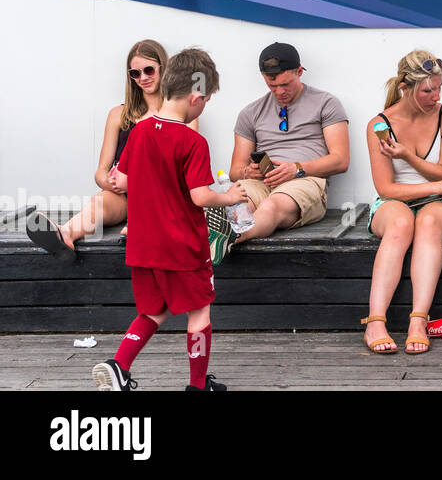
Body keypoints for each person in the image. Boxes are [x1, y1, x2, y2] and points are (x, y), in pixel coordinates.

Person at [90, 47, 245, 391]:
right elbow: (200, 196)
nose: (204, 105)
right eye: (206, 99)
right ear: (195, 95)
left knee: (152, 312)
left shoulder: (141, 131)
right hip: (182, 246)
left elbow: (122, 181)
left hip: (143, 245)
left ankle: (119, 364)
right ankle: (197, 385)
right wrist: (230, 196)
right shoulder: (193, 141)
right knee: (200, 312)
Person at [26, 39, 190, 261]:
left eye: (149, 70)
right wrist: (111, 182)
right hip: (124, 194)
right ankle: (65, 234)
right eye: (135, 73)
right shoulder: (118, 114)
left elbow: (186, 168)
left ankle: (142, 225)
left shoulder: (181, 112)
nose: (143, 78)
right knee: (98, 202)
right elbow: (100, 172)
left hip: (163, 198)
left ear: (164, 67)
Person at [361, 51, 442, 354]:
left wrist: (407, 155)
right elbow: (386, 188)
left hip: (437, 198)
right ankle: (375, 321)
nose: (435, 96)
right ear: (406, 88)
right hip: (395, 199)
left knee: (429, 223)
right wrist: (439, 184)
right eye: (427, 90)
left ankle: (418, 319)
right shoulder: (379, 125)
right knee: (401, 223)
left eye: (438, 89)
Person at [206, 42, 349, 264]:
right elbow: (235, 170)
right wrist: (249, 172)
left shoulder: (326, 103)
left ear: (299, 72)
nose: (280, 92)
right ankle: (215, 234)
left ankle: (230, 238)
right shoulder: (251, 112)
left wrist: (297, 169)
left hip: (306, 181)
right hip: (263, 181)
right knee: (237, 203)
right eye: (272, 86)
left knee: (270, 206)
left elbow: (341, 160)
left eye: (286, 84)